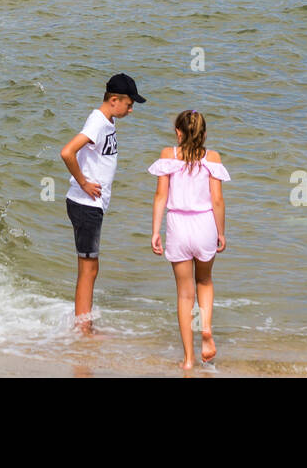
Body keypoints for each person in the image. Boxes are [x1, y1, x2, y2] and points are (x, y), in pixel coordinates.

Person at [59, 73, 144, 333]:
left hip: (91, 206)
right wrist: (84, 182)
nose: (131, 110)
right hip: (85, 204)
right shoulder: (97, 121)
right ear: (114, 99)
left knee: (90, 268)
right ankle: (83, 329)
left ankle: (84, 324)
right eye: (129, 104)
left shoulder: (107, 121)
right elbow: (67, 151)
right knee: (88, 269)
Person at [149, 110, 229, 370]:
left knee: (185, 295)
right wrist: (221, 232)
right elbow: (217, 200)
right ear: (204, 134)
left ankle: (188, 360)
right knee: (204, 281)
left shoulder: (167, 155)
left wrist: (155, 231)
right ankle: (205, 328)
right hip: (204, 224)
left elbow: (160, 196)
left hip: (178, 226)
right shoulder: (212, 158)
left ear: (178, 133)